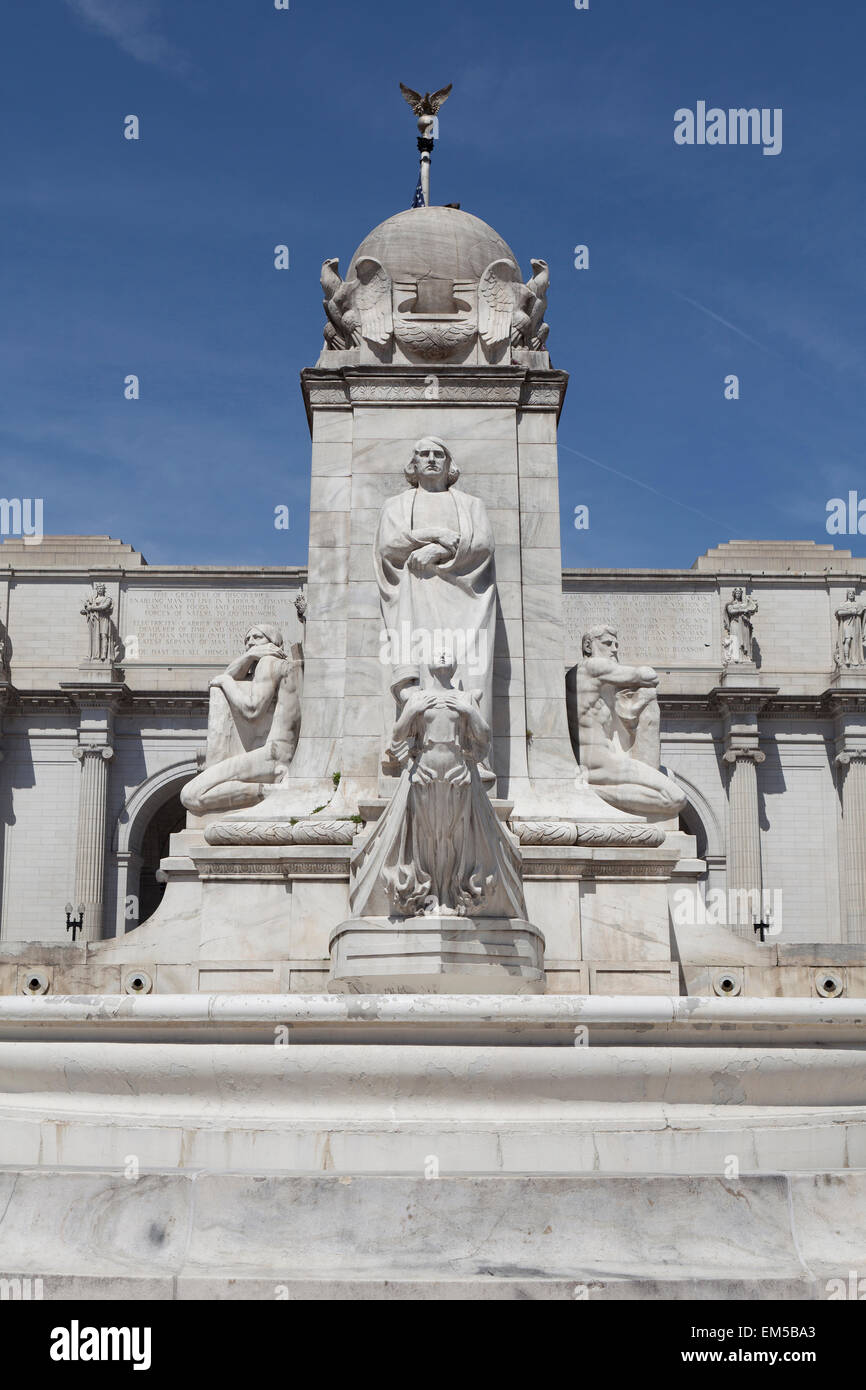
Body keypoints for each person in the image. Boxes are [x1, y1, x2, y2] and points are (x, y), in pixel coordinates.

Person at [181, 624, 301, 815]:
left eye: (257, 637)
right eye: (247, 640)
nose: (250, 642)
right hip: (274, 753)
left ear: (272, 643)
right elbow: (226, 676)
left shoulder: (268, 662)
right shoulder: (277, 666)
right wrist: (248, 657)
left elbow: (252, 709)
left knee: (191, 795)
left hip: (273, 755)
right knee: (193, 795)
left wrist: (226, 682)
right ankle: (274, 791)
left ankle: (279, 792)